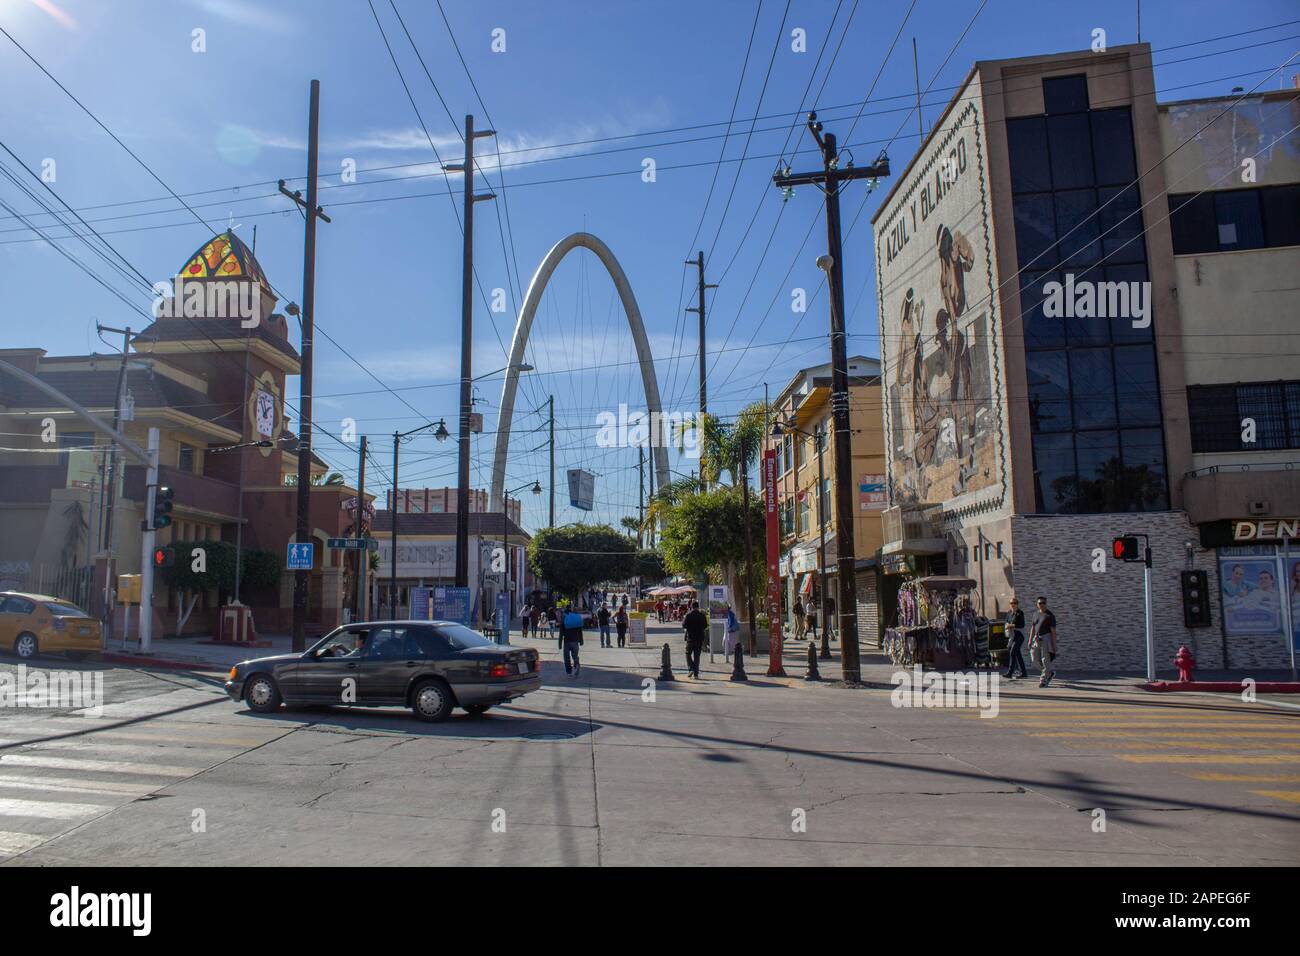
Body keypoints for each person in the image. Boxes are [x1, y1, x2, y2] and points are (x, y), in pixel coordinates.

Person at [1028, 595, 1058, 687]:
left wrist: (1054, 644)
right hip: (1036, 639)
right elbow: (1033, 627)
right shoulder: (1035, 614)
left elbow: (1053, 631)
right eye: (1040, 603)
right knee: (1034, 660)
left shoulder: (1050, 615)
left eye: (1044, 603)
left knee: (1045, 660)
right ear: (1037, 604)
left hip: (1046, 638)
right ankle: (1049, 672)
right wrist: (1030, 640)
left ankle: (1043, 680)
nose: (1042, 605)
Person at [682, 600, 709, 679]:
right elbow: (705, 625)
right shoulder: (702, 615)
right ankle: (696, 674)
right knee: (697, 656)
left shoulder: (688, 615)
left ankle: (691, 668)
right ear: (698, 607)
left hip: (690, 638)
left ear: (691, 607)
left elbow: (684, 625)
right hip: (699, 638)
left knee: (688, 653)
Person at [1003, 596, 1027, 680]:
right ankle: (1024, 673)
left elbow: (1022, 625)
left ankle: (1010, 672)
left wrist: (1011, 625)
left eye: (1015, 603)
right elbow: (1006, 622)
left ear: (1017, 604)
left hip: (1019, 636)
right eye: (1011, 603)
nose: (1013, 605)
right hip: (1012, 636)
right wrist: (1007, 625)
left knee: (1013, 652)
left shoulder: (1020, 613)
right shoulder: (1009, 613)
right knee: (1018, 654)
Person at [562, 606, 585, 676]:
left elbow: (561, 631)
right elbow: (580, 631)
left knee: (566, 657)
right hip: (575, 640)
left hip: (567, 641)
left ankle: (569, 672)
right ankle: (576, 665)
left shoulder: (565, 619)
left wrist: (560, 641)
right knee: (575, 655)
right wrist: (581, 641)